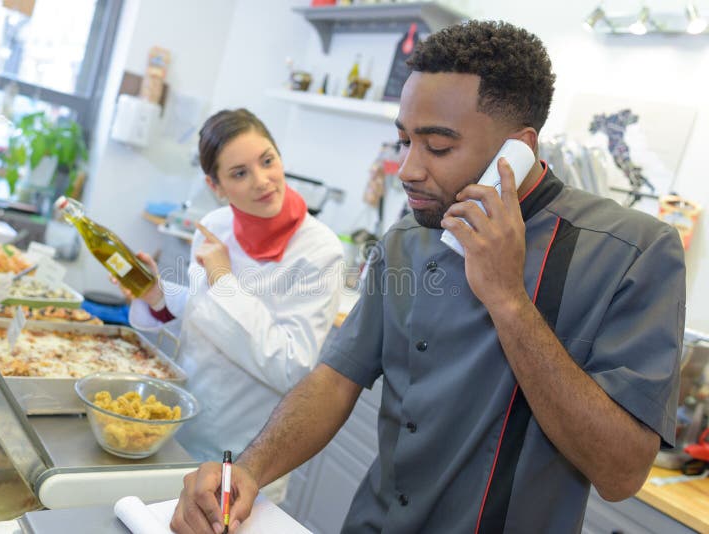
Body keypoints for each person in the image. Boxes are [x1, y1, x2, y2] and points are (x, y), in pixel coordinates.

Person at [170, 20, 686, 534]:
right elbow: (334, 377)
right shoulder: (408, 238)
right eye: (404, 141)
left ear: (518, 149)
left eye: (437, 147)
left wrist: (508, 299)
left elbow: (621, 473)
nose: (408, 169)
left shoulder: (632, 252)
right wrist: (249, 472)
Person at [121, 109, 343, 482]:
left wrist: (224, 279)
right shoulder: (214, 227)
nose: (263, 181)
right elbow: (204, 318)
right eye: (240, 173)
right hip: (182, 424)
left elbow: (291, 368)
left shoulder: (320, 250)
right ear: (216, 187)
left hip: (247, 454)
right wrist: (156, 294)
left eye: (267, 161)